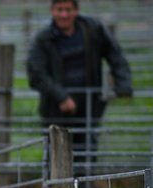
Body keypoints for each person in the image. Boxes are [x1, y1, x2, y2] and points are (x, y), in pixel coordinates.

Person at [27, 0, 131, 174]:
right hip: (55, 107)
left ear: (76, 11)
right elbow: (36, 74)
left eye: (68, 10)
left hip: (89, 102)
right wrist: (61, 97)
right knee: (56, 149)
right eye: (59, 10)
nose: (64, 15)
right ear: (52, 11)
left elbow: (115, 55)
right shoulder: (43, 38)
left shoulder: (92, 29)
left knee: (87, 147)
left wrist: (123, 83)